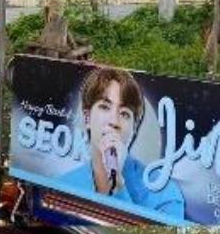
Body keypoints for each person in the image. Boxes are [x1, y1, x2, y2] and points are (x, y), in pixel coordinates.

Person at [61, 66, 185, 220]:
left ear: (134, 129)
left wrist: (117, 184)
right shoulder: (63, 184)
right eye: (105, 107)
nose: (114, 121)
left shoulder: (165, 195)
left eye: (125, 114)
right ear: (87, 118)